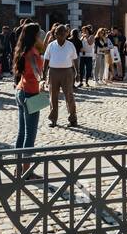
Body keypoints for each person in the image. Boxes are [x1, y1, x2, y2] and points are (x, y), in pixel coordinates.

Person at [13, 22, 44, 159]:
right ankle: (25, 171)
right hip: (31, 92)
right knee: (30, 135)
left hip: (21, 89)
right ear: (35, 35)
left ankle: (18, 167)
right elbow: (38, 75)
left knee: (22, 132)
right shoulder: (32, 53)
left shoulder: (23, 50)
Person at [43, 25, 78, 127]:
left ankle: (73, 118)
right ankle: (53, 119)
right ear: (55, 34)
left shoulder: (70, 45)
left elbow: (75, 59)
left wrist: (77, 72)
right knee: (53, 96)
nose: (61, 35)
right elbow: (46, 59)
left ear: (66, 34)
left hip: (67, 72)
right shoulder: (51, 45)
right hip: (53, 72)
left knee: (69, 96)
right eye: (59, 33)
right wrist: (44, 72)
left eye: (63, 33)